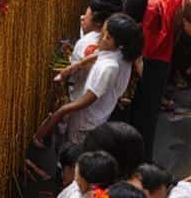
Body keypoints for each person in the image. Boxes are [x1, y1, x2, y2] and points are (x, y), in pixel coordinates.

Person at [35, 14, 143, 146]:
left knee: (74, 155)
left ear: (119, 45)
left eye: (107, 38)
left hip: (86, 123)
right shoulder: (116, 53)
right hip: (92, 116)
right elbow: (96, 56)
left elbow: (89, 99)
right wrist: (75, 66)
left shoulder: (109, 67)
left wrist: (62, 111)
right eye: (103, 32)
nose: (101, 39)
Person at [132, 0, 189, 162]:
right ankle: (145, 158)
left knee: (139, 112)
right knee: (151, 114)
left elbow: (145, 33)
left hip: (147, 59)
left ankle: (137, 158)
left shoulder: (155, 0)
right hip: (164, 62)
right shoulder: (183, 2)